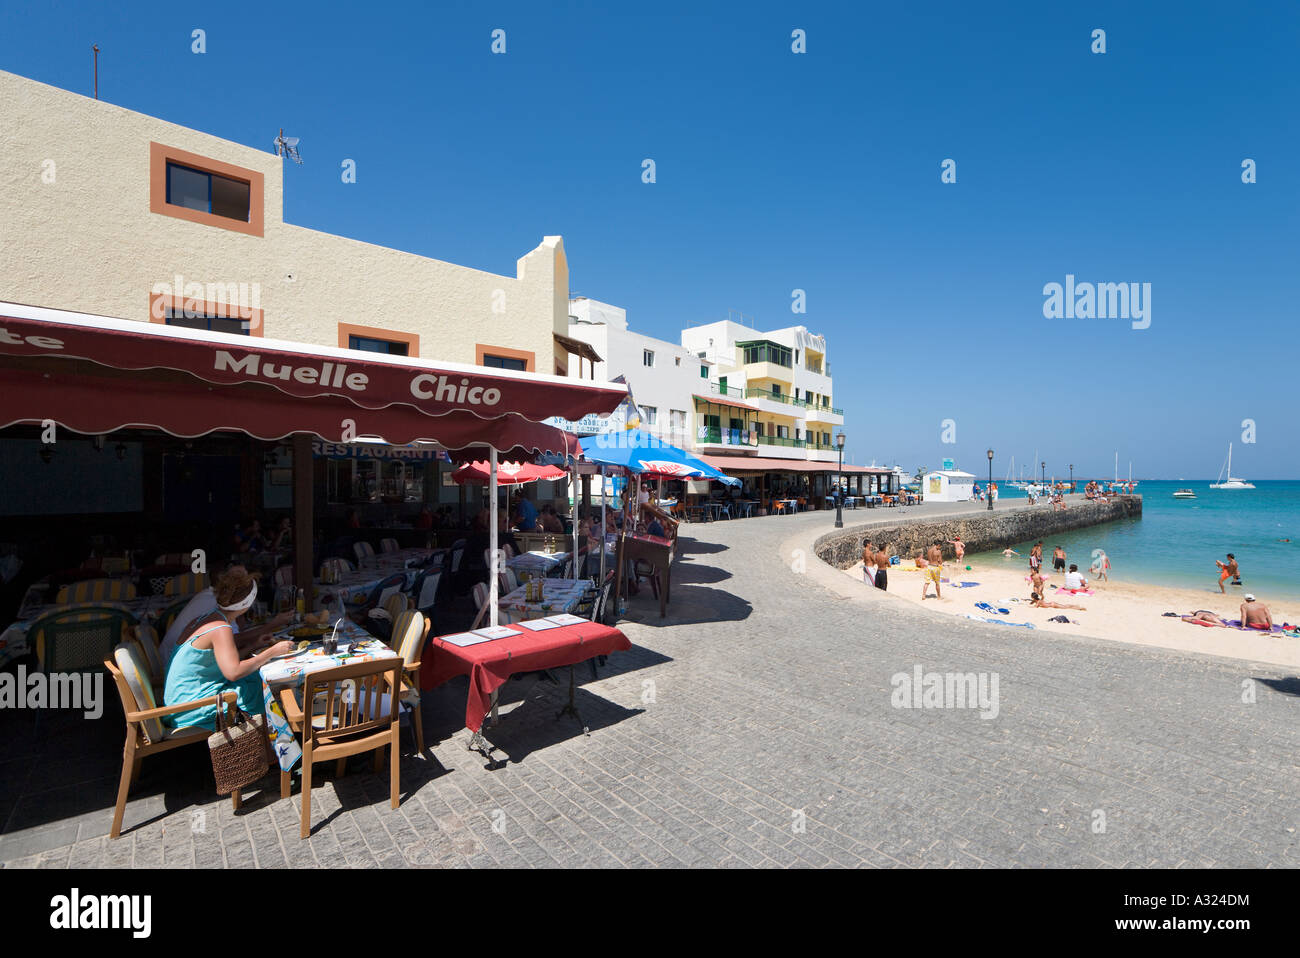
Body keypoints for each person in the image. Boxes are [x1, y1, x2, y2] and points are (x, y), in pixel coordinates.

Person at [162, 567, 295, 731]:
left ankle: (277, 738)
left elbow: (220, 661)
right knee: (264, 687)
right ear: (247, 603)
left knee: (256, 678)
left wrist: (253, 646)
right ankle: (273, 742)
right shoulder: (220, 628)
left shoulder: (207, 618)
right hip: (191, 708)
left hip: (180, 701)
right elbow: (233, 672)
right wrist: (271, 652)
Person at [159, 564, 290, 665]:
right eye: (240, 580)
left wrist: (254, 646)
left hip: (191, 672)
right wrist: (270, 650)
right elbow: (233, 668)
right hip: (177, 675)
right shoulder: (216, 618)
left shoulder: (217, 610)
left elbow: (228, 654)